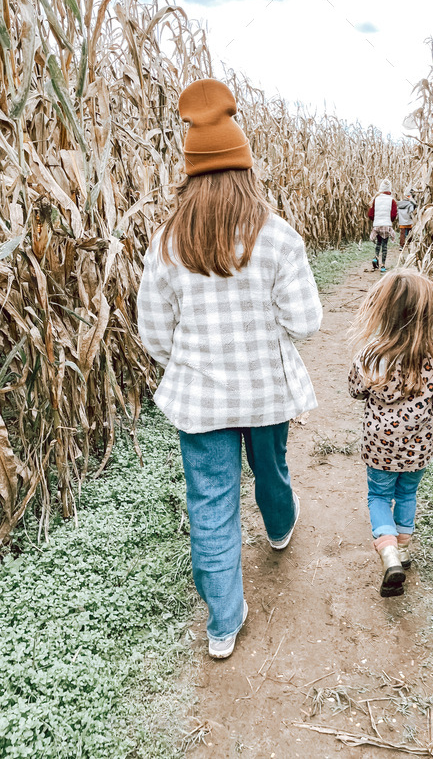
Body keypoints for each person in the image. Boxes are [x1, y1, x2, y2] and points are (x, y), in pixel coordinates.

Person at [137, 79, 322, 659]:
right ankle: (279, 526)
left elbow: (153, 333)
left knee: (210, 505)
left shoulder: (168, 241)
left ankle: (223, 625)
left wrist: (191, 364)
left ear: (190, 174)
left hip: (199, 403)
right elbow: (307, 322)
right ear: (245, 168)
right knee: (270, 467)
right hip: (265, 392)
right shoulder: (277, 235)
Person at [348, 269, 433, 597]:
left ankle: (388, 555)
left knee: (379, 496)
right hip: (418, 450)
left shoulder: (372, 354)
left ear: (382, 311)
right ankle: (404, 549)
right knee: (407, 495)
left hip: (379, 447)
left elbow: (356, 390)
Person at [368, 179, 397, 272]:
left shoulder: (375, 199)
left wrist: (376, 221)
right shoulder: (392, 200)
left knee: (378, 243)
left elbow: (370, 214)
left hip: (377, 225)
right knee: (384, 246)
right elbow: (393, 215)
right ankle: (383, 266)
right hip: (386, 225)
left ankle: (375, 257)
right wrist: (389, 221)